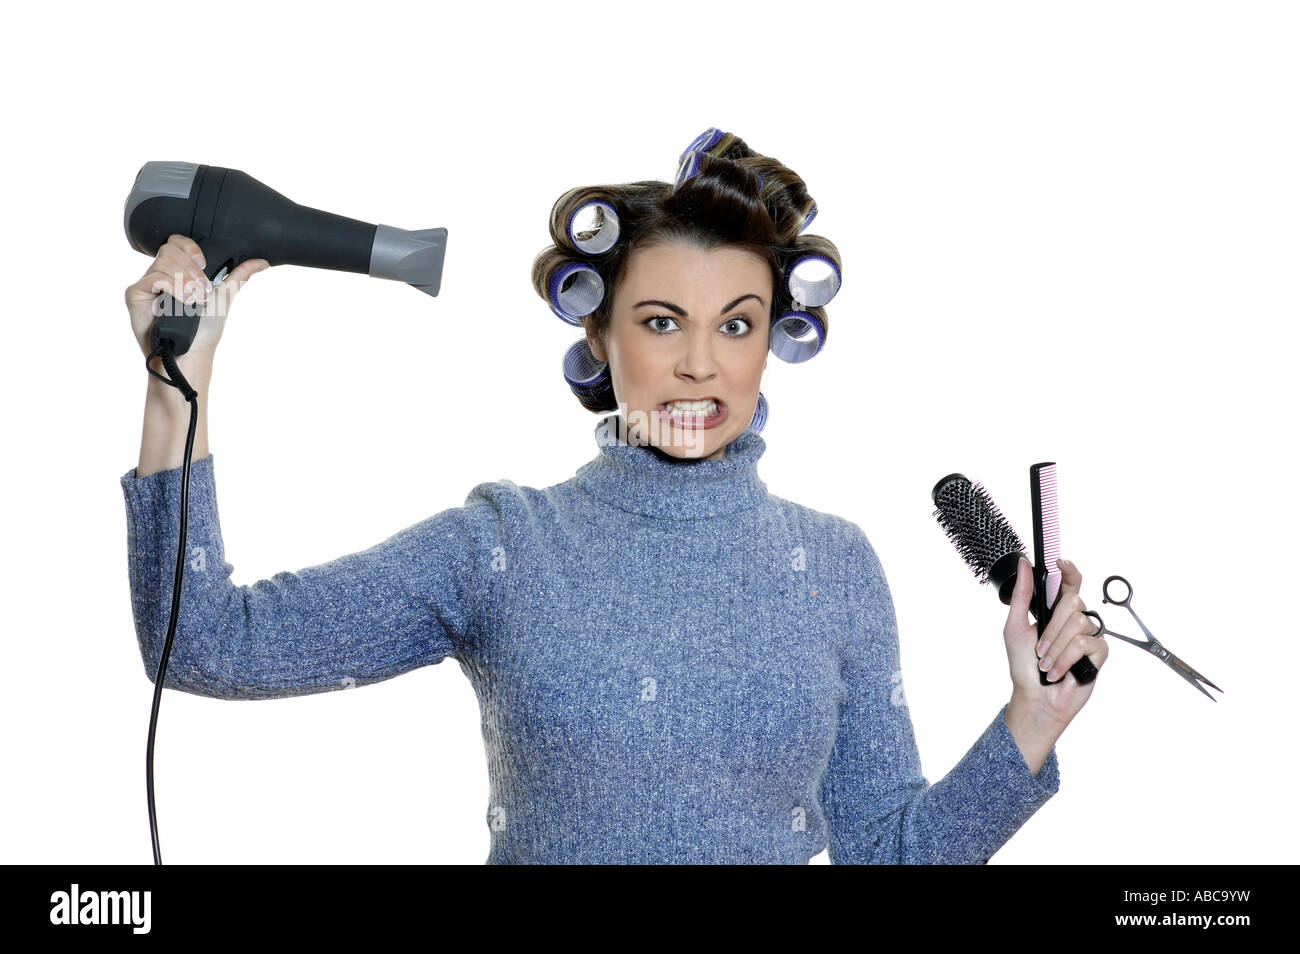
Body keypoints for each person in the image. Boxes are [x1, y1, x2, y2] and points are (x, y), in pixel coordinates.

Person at [121, 129, 1108, 864]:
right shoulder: (503, 546)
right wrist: (183, 391)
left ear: (774, 340)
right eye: (660, 320)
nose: (697, 366)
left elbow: (887, 854)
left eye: (736, 325)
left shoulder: (836, 565)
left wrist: (1031, 719)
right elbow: (204, 644)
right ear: (597, 336)